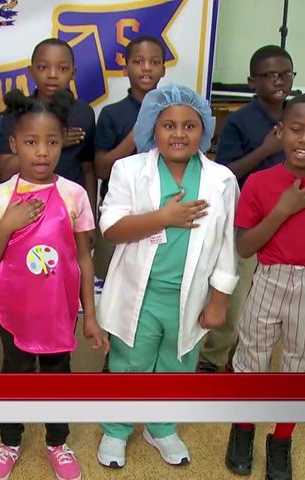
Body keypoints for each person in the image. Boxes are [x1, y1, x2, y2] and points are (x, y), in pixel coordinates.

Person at [97, 84, 239, 468]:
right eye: (168, 125)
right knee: (131, 363)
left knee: (178, 364)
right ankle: (117, 429)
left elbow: (227, 244)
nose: (179, 134)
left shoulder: (222, 179)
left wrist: (219, 301)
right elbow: (111, 227)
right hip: (140, 294)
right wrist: (163, 217)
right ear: (152, 128)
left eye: (189, 126)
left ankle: (161, 427)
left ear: (204, 130)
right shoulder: (129, 170)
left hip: (190, 296)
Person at [0, 90, 108, 480]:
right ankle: (9, 441)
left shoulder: (74, 194)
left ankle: (57, 442)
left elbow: (82, 258)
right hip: (14, 310)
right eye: (31, 142)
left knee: (57, 374)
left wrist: (90, 315)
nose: (41, 151)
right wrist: (8, 224)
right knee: (14, 373)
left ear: (63, 141)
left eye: (51, 142)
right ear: (14, 143)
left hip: (58, 310)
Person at [226, 93, 305, 480]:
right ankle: (243, 429)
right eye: (296, 129)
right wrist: (283, 208)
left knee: (300, 366)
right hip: (270, 278)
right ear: (280, 131)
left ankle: (281, 439)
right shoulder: (260, 183)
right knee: (251, 362)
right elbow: (245, 247)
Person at [199, 45, 296, 374]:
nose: (279, 80)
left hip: (287, 220)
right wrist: (267, 148)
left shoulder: (297, 116)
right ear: (253, 82)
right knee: (237, 293)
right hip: (248, 222)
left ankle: (242, 359)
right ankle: (211, 358)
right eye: (270, 75)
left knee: (265, 299)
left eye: (286, 74)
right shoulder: (240, 121)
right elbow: (226, 172)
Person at [93, 34, 167, 372]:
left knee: (153, 288)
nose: (146, 68)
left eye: (154, 61)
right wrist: (137, 135)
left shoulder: (174, 111)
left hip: (163, 215)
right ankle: (114, 356)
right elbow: (101, 168)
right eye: (138, 61)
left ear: (164, 68)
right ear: (125, 68)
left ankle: (151, 353)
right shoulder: (112, 114)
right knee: (117, 288)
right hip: (122, 217)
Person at [0, 38, 97, 214]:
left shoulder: (84, 113)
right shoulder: (17, 113)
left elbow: (88, 171)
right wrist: (56, 143)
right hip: (26, 208)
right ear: (31, 71)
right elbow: (5, 170)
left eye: (62, 69)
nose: (52, 75)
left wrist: (90, 217)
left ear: (73, 73)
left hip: (70, 208)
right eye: (43, 67)